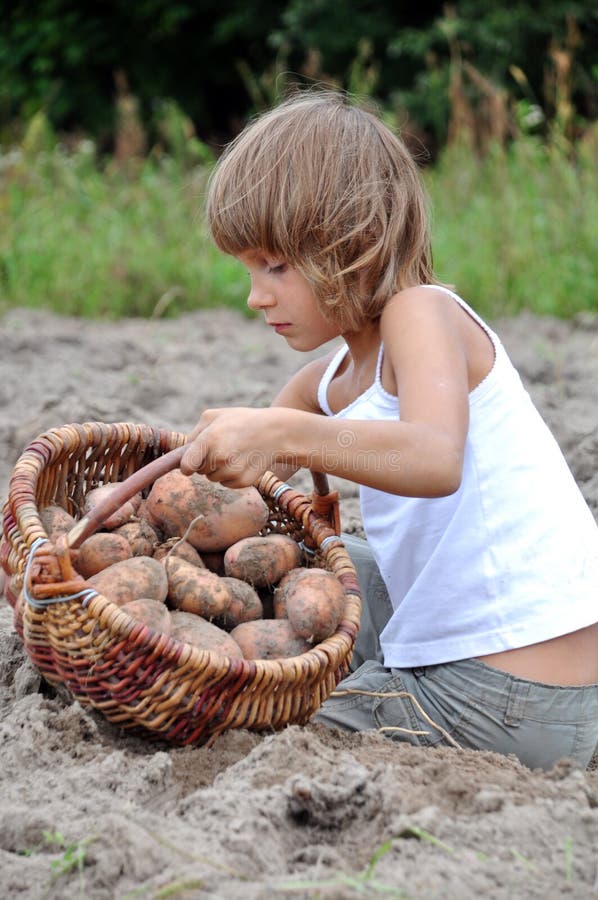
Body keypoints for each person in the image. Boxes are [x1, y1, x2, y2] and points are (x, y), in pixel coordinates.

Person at [180, 90, 598, 771]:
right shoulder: (333, 378)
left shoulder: (423, 313)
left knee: (254, 711)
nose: (256, 295)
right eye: (248, 269)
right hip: (528, 679)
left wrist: (283, 433)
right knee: (320, 556)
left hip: (506, 694)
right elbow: (226, 499)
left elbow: (436, 459)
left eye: (277, 266)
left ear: (356, 241)